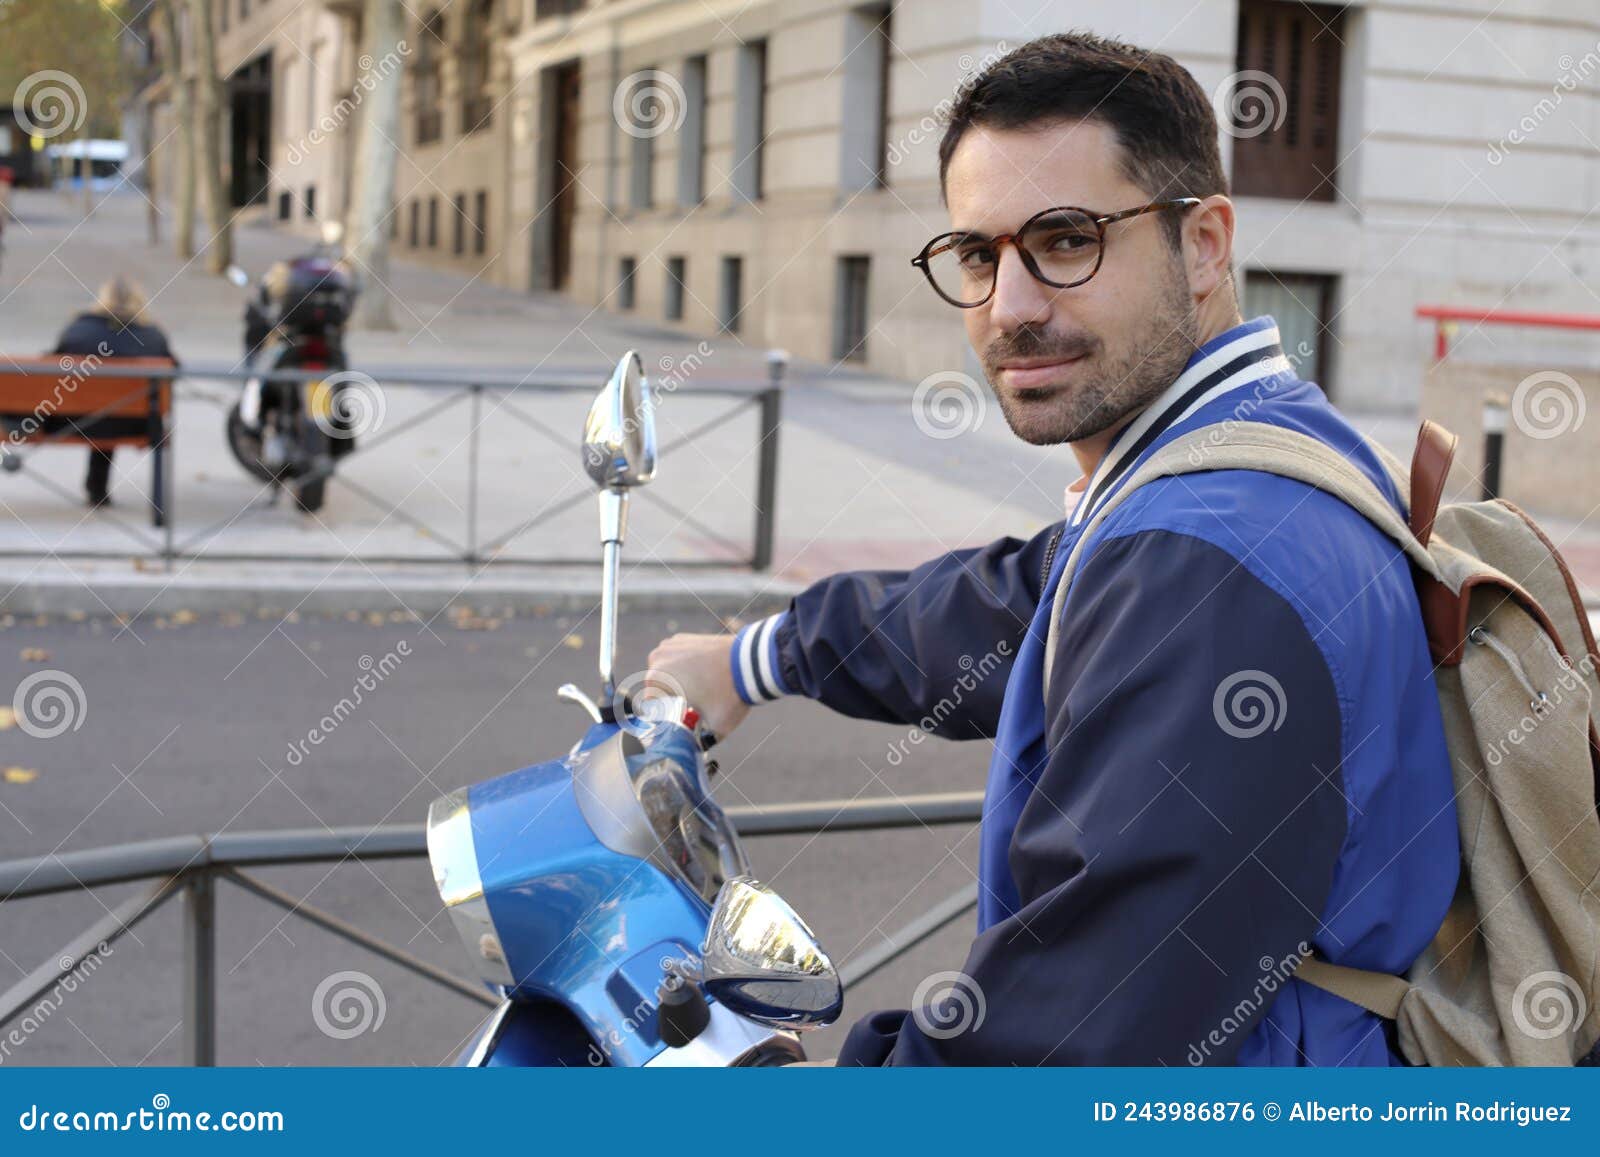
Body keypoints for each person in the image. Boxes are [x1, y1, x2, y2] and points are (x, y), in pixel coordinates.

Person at [646, 32, 1457, 1066]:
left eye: (1066, 239)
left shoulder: (1208, 564)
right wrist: (756, 657)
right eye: (979, 255)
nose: (1011, 306)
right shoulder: (1257, 450)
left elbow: (1058, 1047)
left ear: (1202, 244)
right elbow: (1029, 601)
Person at [52, 276, 176, 507]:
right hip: (137, 423)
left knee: (99, 409)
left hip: (73, 422)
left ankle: (96, 488)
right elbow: (174, 372)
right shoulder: (152, 337)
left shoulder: (78, 330)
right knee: (111, 411)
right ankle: (99, 490)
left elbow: (50, 369)